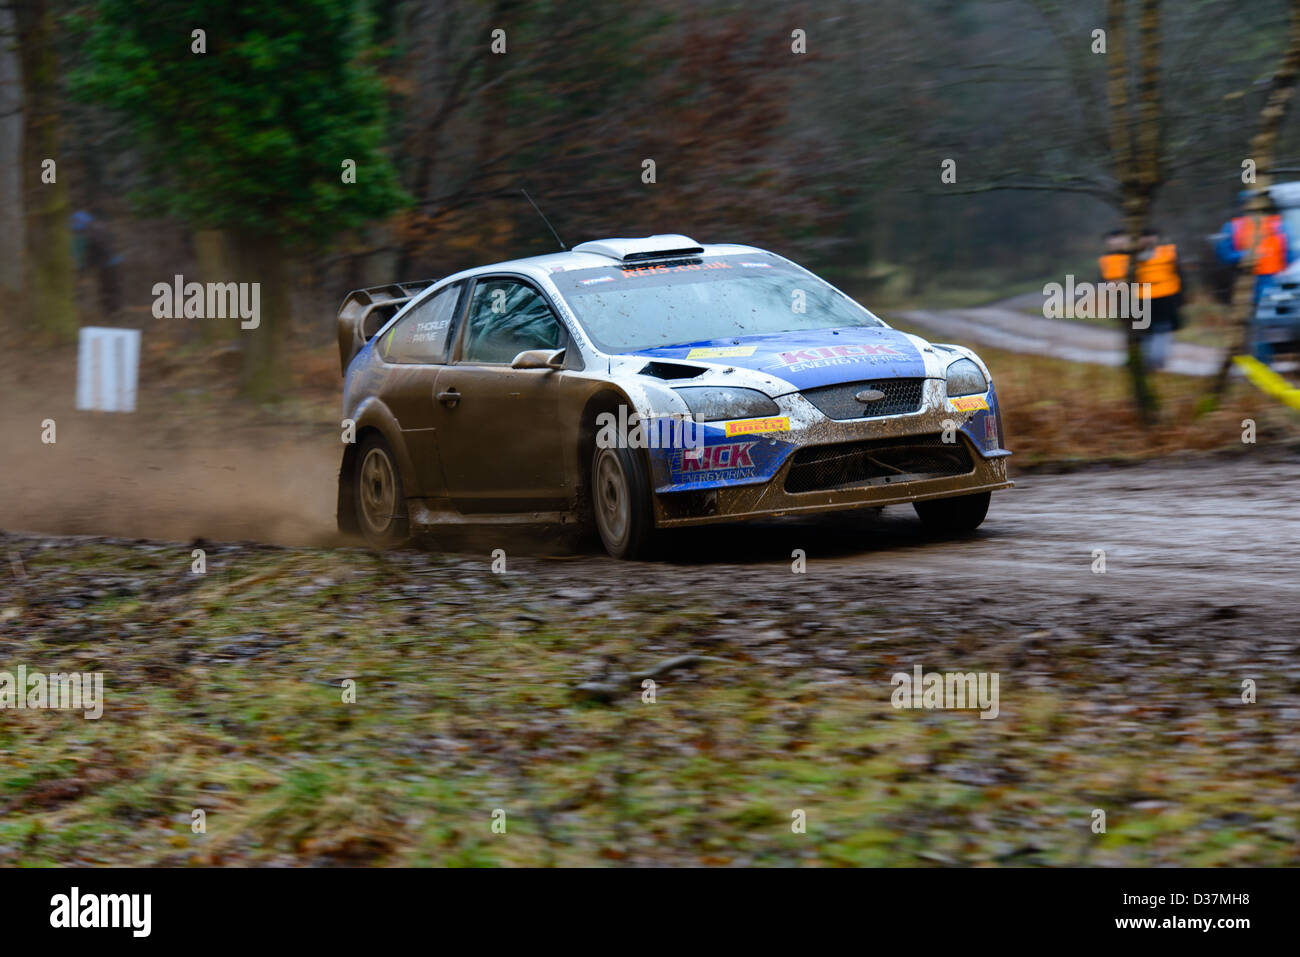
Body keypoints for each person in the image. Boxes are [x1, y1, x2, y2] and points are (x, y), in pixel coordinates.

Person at [1133, 228, 1182, 372]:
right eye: (1145, 236)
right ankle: (1148, 361)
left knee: (1162, 330)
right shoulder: (1132, 256)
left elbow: (1179, 274)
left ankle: (1157, 362)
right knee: (1145, 332)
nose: (1149, 239)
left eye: (1151, 236)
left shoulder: (1168, 252)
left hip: (1165, 298)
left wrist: (1179, 297)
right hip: (1141, 298)